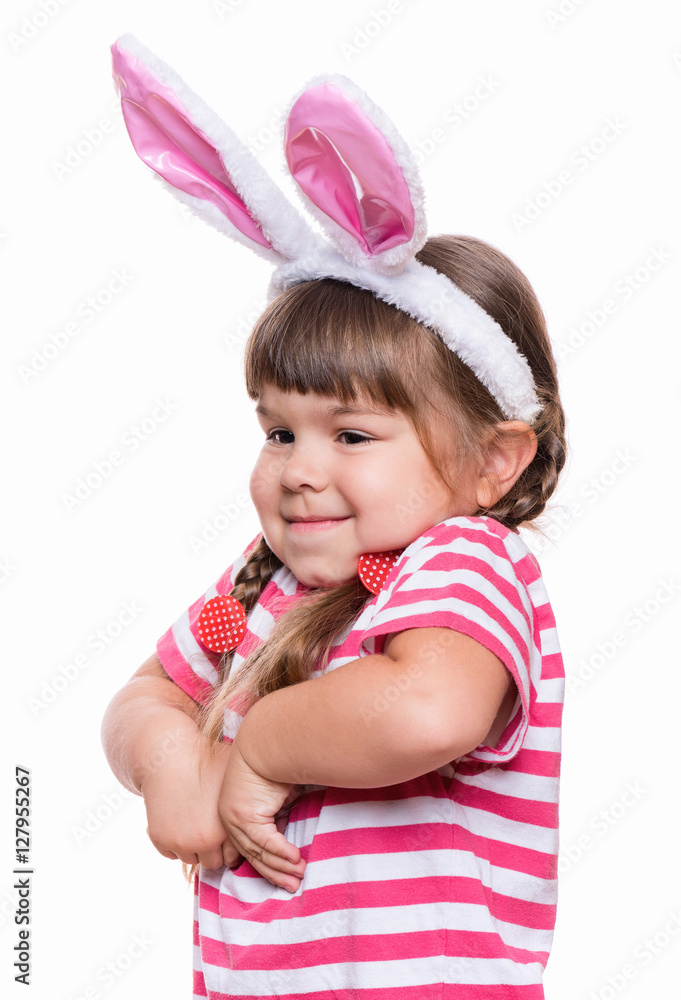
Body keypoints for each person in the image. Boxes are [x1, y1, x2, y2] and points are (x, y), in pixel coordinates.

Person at [103, 36, 566, 999]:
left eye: (351, 436)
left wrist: (259, 748)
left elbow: (428, 706)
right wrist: (171, 767)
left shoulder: (457, 562)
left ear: (491, 462)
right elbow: (150, 692)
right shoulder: (254, 594)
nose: (299, 472)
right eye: (278, 432)